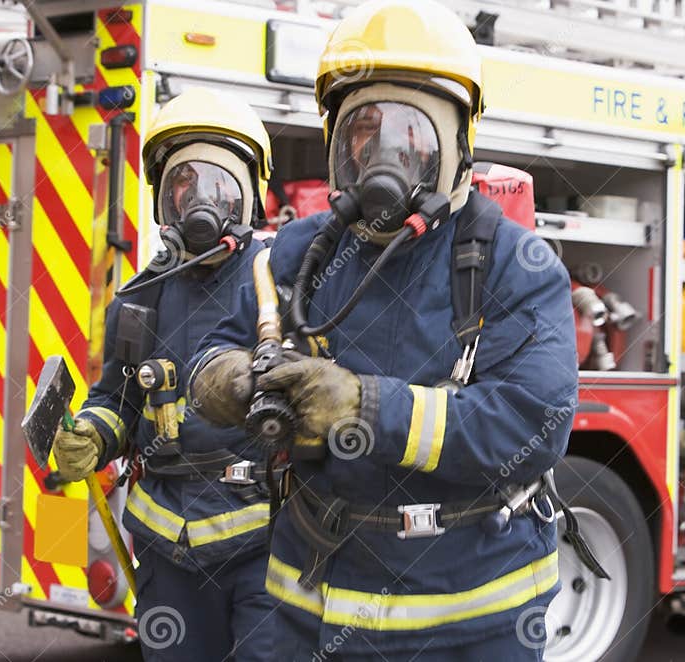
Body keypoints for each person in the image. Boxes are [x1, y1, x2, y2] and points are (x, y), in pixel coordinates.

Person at [187, 1, 580, 659]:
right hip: (312, 608)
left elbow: (531, 423)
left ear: (460, 141)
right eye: (364, 130)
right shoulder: (298, 252)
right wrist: (223, 379)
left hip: (474, 620)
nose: (385, 154)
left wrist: (364, 407)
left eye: (411, 132)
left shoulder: (515, 264)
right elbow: (215, 347)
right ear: (336, 139)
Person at [52, 87, 277, 661]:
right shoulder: (140, 298)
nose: (200, 200)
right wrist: (94, 433)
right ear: (163, 198)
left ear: (249, 197)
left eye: (218, 183)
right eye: (184, 182)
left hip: (264, 546)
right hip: (167, 551)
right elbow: (118, 398)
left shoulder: (278, 285)